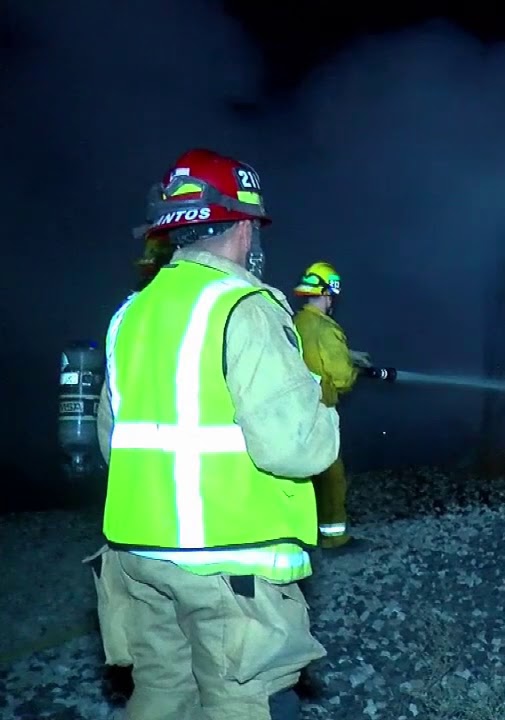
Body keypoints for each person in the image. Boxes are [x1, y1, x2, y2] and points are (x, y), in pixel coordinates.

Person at [85, 148, 340, 720]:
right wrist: (324, 409)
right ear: (246, 228)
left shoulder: (131, 314)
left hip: (139, 555)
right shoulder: (243, 307)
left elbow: (113, 440)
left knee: (162, 696)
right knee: (245, 699)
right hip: (229, 564)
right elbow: (295, 447)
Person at [291, 261, 373, 552]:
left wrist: (351, 355)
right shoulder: (327, 329)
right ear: (327, 294)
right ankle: (334, 538)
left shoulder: (297, 322)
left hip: (297, 410)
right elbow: (340, 378)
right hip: (321, 409)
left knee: (303, 475)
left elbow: (311, 352)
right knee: (332, 476)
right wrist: (354, 371)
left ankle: (303, 534)